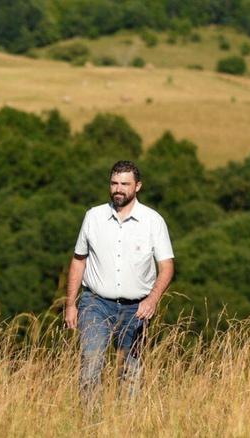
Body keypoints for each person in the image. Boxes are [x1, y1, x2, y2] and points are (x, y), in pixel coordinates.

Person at [64, 159, 175, 408]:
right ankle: (90, 425)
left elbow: (167, 266)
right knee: (91, 362)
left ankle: (126, 426)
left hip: (136, 308)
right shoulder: (93, 217)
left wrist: (152, 299)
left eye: (125, 184)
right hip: (95, 303)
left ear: (138, 187)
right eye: (114, 183)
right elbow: (78, 260)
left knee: (130, 371)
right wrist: (71, 304)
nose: (118, 189)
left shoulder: (152, 221)